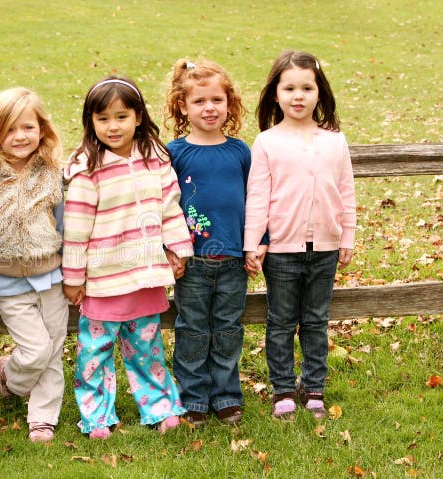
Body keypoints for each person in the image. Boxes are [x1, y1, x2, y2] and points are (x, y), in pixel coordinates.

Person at [63, 76, 194, 440]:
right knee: (95, 353)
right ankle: (96, 415)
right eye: (102, 118)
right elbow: (75, 230)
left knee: (146, 349)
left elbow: (170, 208)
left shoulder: (155, 160)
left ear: (138, 116)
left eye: (121, 116)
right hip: (103, 280)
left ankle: (160, 407)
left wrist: (176, 248)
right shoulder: (87, 169)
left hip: (145, 274)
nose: (113, 126)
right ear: (91, 122)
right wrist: (73, 278)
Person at [244, 50, 356, 421]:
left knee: (315, 321)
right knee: (280, 321)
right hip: (281, 250)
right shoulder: (267, 142)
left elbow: (346, 191)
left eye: (307, 87)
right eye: (289, 87)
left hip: (324, 247)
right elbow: (258, 198)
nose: (298, 95)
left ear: (319, 92)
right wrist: (252, 243)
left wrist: (347, 237)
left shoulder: (334, 141)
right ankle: (282, 389)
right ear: (275, 94)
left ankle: (314, 387)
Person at [0, 87, 69, 443]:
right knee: (36, 349)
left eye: (27, 127)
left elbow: (63, 221)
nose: (19, 137)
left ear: (41, 128)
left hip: (51, 275)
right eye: (8, 130)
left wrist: (73, 272)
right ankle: (9, 374)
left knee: (52, 349)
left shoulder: (51, 171)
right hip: (7, 281)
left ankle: (42, 418)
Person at [164, 58, 265, 427]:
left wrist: (259, 242)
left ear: (229, 104)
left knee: (226, 329)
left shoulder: (240, 151)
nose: (209, 108)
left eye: (217, 100)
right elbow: (164, 204)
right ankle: (192, 397)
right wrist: (169, 248)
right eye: (199, 101)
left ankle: (225, 396)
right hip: (190, 261)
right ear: (183, 106)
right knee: (192, 330)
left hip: (234, 260)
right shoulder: (174, 153)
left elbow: (256, 199)